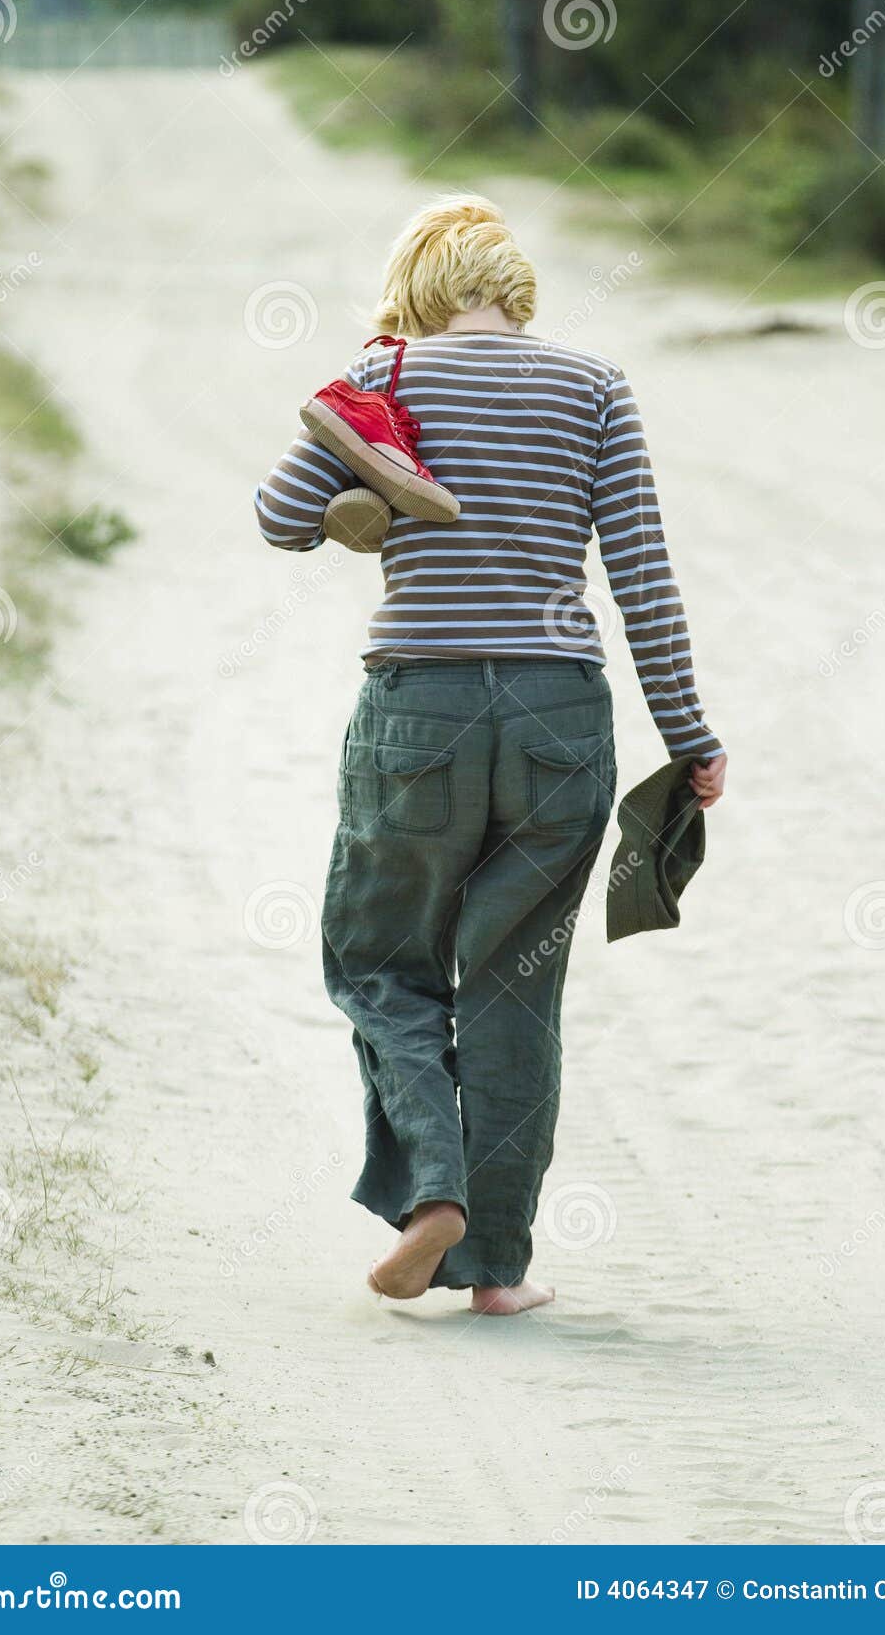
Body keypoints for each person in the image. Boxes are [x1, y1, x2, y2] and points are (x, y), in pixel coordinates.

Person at [254, 195, 726, 1315]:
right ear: (514, 291)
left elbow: (278, 516)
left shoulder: (381, 381)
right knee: (515, 982)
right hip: (559, 715)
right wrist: (689, 736)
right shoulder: (594, 385)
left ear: (416, 292)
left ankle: (433, 1192)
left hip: (418, 711)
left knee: (382, 960)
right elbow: (642, 577)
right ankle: (496, 1273)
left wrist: (361, 485)